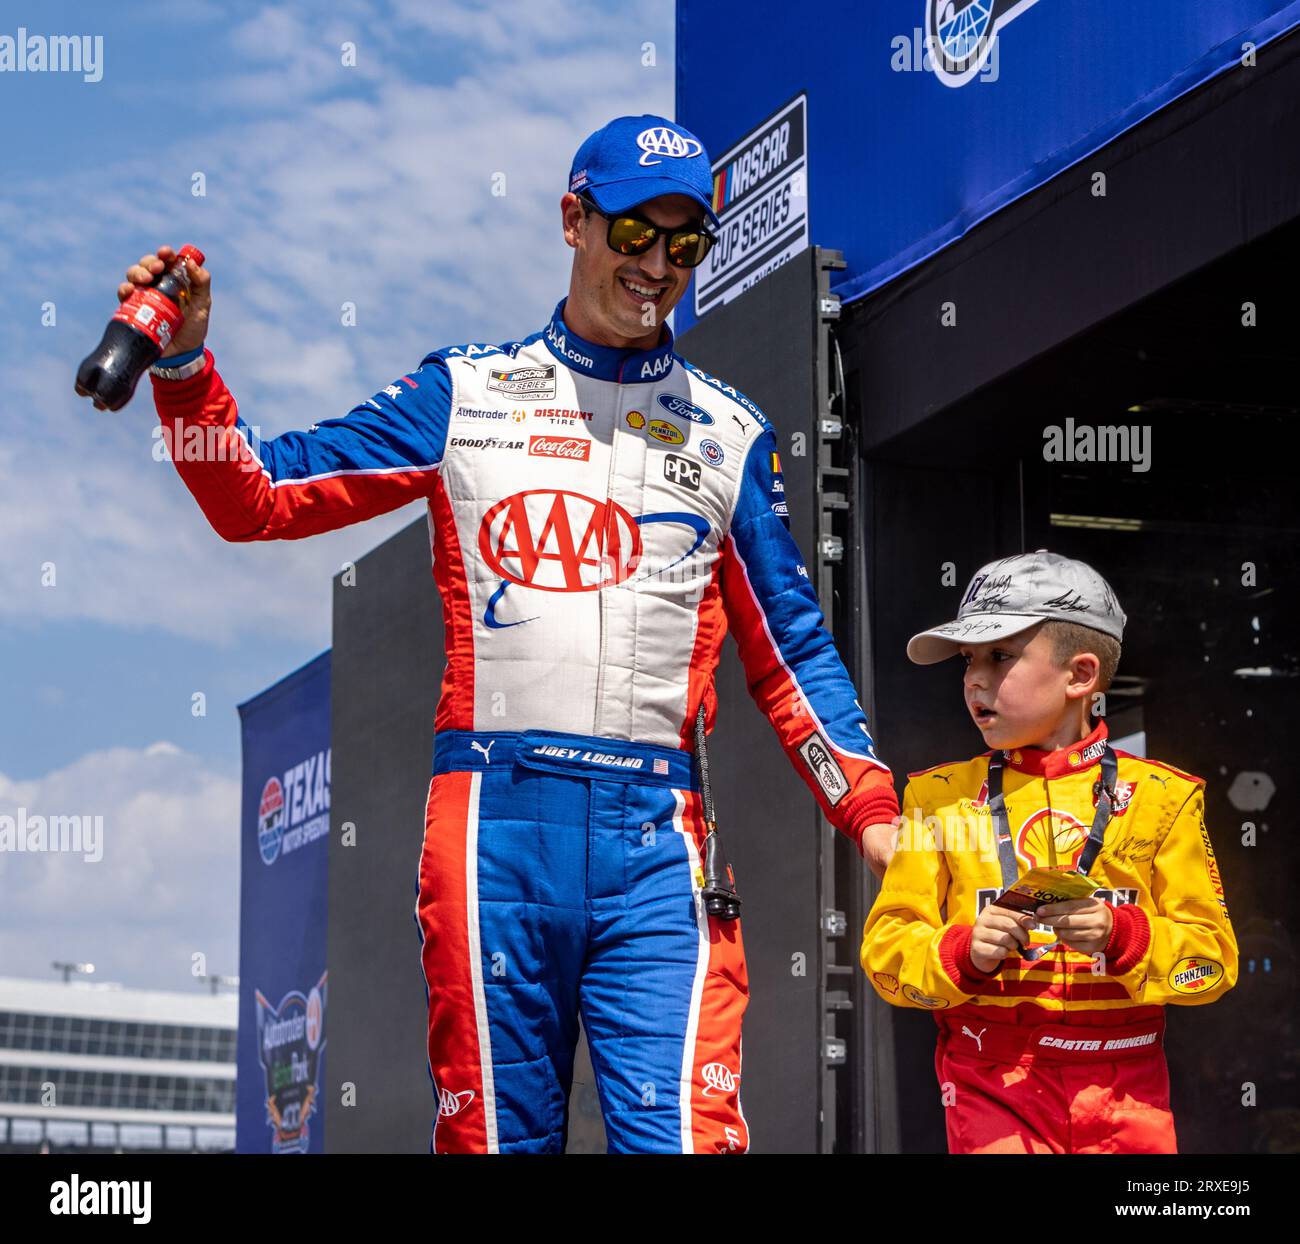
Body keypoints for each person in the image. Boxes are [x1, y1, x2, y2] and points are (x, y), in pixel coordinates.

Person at [123, 115, 900, 1153]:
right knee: (491, 1138)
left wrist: (872, 813)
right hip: (494, 819)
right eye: (634, 233)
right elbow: (259, 496)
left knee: (687, 1137)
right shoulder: (465, 392)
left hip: (657, 839)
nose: (658, 266)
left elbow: (791, 650)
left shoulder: (729, 429)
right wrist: (183, 370)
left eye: (687, 244)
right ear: (573, 220)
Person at [862, 551, 1237, 1154]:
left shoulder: (1165, 798)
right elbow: (885, 958)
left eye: (999, 656)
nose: (973, 679)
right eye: (967, 661)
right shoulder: (937, 798)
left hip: (1127, 1088)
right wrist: (960, 951)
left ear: (1080, 675)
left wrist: (1125, 934)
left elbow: (1214, 966)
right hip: (991, 1081)